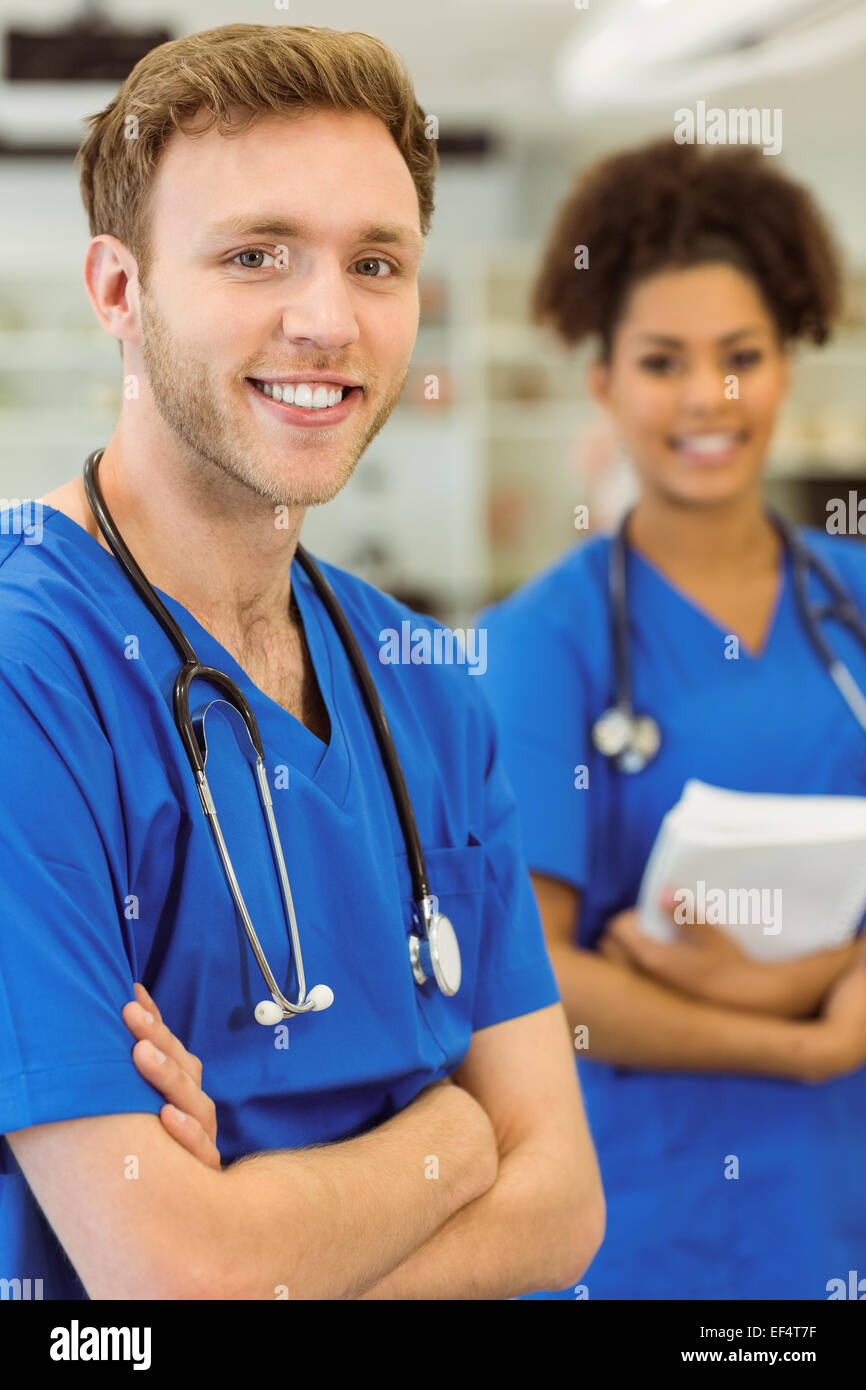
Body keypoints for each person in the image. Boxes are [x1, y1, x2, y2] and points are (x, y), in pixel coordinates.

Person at [0, 24, 604, 1301]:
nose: (326, 319)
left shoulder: (422, 680)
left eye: (374, 262)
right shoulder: (28, 677)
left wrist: (270, 1228)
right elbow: (173, 1280)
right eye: (254, 254)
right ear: (119, 290)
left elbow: (563, 1210)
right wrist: (456, 1132)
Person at [477, 138, 866, 1300]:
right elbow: (530, 976)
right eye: (662, 361)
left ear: (786, 366)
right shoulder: (539, 646)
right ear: (602, 382)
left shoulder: (852, 606)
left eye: (739, 356)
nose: (707, 397)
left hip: (839, 1201)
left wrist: (762, 985)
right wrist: (805, 1035)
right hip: (645, 1219)